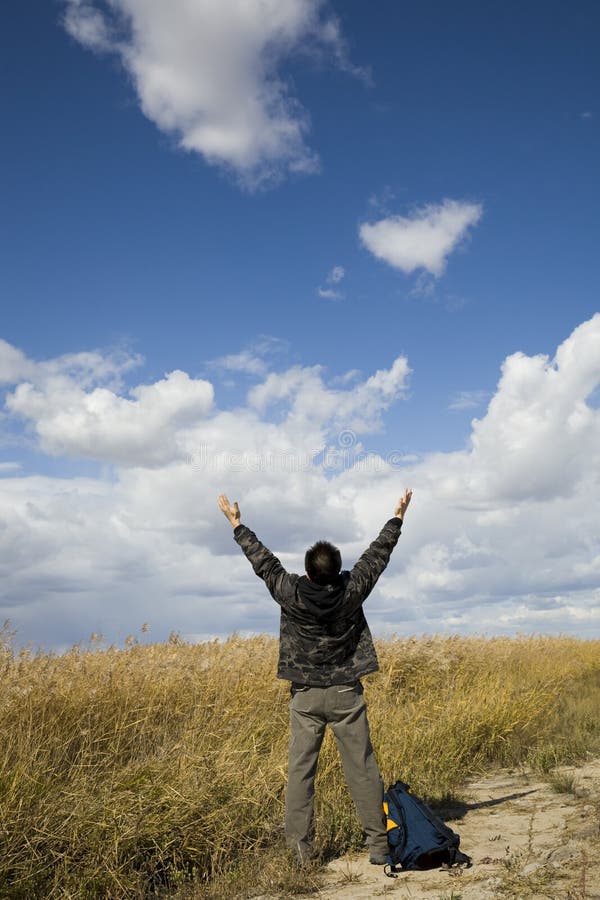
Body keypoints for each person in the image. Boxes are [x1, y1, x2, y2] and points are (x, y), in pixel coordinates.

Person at [217, 489, 412, 866]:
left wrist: (237, 524)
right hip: (346, 695)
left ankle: (301, 855)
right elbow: (378, 556)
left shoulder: (290, 592)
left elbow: (263, 563)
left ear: (307, 571)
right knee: (363, 769)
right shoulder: (352, 589)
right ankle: (378, 847)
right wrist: (397, 518)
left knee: (300, 774)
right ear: (338, 570)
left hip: (305, 697)